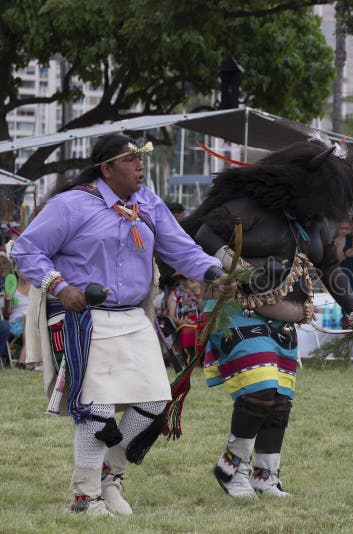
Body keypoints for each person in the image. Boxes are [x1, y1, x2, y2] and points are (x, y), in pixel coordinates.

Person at [12, 134, 228, 516]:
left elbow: (180, 248)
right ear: (106, 168)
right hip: (84, 317)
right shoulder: (72, 204)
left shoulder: (148, 204)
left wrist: (215, 271)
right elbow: (26, 249)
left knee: (154, 401)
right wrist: (61, 287)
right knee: (96, 408)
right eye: (130, 160)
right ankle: (84, 497)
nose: (139, 166)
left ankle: (110, 477)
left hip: (133, 315)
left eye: (141, 159)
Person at [182, 139, 353, 498]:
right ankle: (230, 466)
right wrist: (238, 269)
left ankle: (266, 475)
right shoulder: (249, 208)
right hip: (239, 311)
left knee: (279, 400)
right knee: (262, 389)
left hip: (286, 321)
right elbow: (203, 235)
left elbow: (330, 268)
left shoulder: (316, 223)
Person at [165, 276, 203, 362]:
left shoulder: (200, 288)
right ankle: (191, 359)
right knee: (187, 328)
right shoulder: (175, 293)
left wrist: (197, 293)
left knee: (199, 327)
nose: (188, 280)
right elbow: (171, 316)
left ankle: (202, 358)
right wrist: (179, 321)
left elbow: (203, 309)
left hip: (199, 320)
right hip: (182, 321)